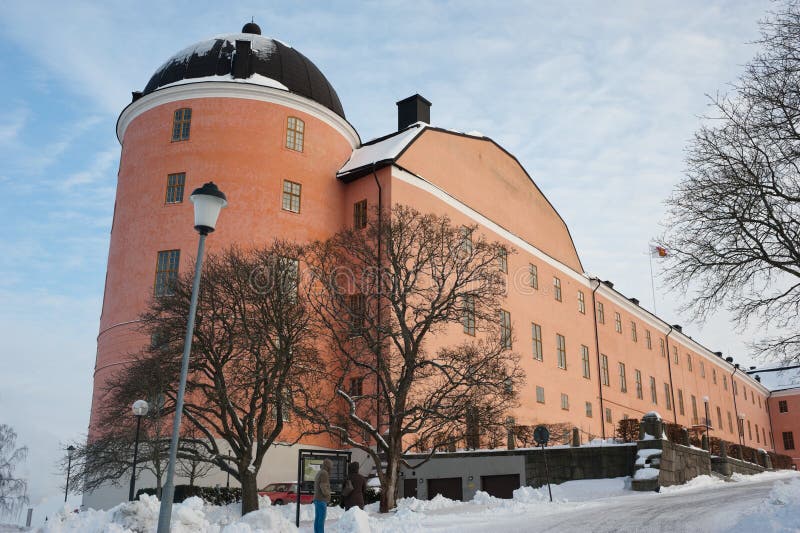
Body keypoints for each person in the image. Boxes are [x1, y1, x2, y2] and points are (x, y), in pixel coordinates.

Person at [313, 459, 332, 533]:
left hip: (317, 499)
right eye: (330, 466)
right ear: (328, 466)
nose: (331, 468)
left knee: (318, 519)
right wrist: (328, 494)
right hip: (321, 499)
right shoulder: (324, 473)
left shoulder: (320, 472)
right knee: (321, 520)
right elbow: (323, 486)